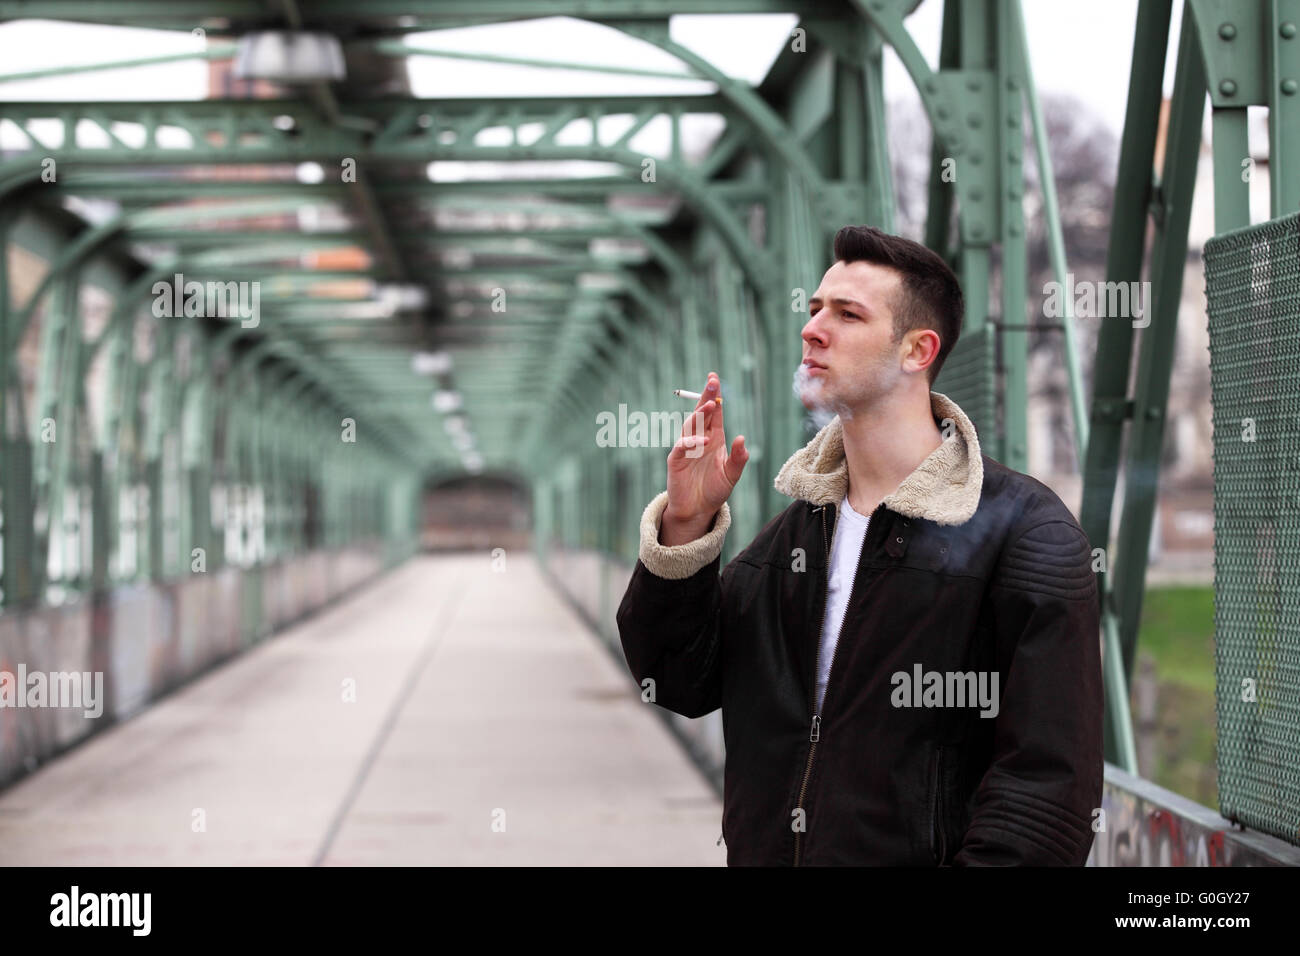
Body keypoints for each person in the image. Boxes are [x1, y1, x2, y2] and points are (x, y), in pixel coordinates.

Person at [616, 225, 1103, 866]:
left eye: (848, 314)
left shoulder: (1023, 533)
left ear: (916, 350)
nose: (813, 329)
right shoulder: (794, 535)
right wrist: (686, 524)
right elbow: (675, 681)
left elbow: (1048, 789)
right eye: (815, 309)